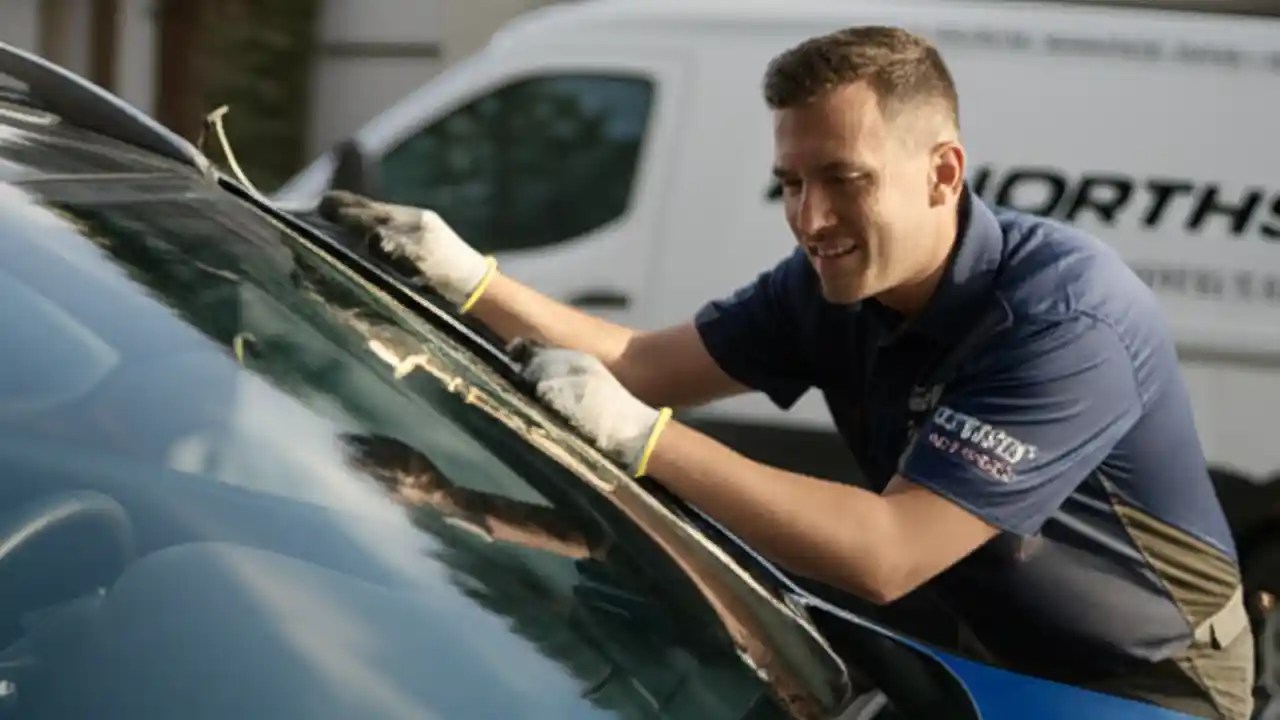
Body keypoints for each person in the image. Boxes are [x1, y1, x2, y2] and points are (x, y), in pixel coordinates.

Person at [319, 25, 1255, 719]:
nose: (810, 218)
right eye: (791, 184)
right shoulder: (830, 283)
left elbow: (885, 555)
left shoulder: (1062, 317)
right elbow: (646, 364)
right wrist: (469, 278)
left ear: (943, 174)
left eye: (843, 178)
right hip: (985, 651)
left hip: (1148, 681)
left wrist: (645, 443)